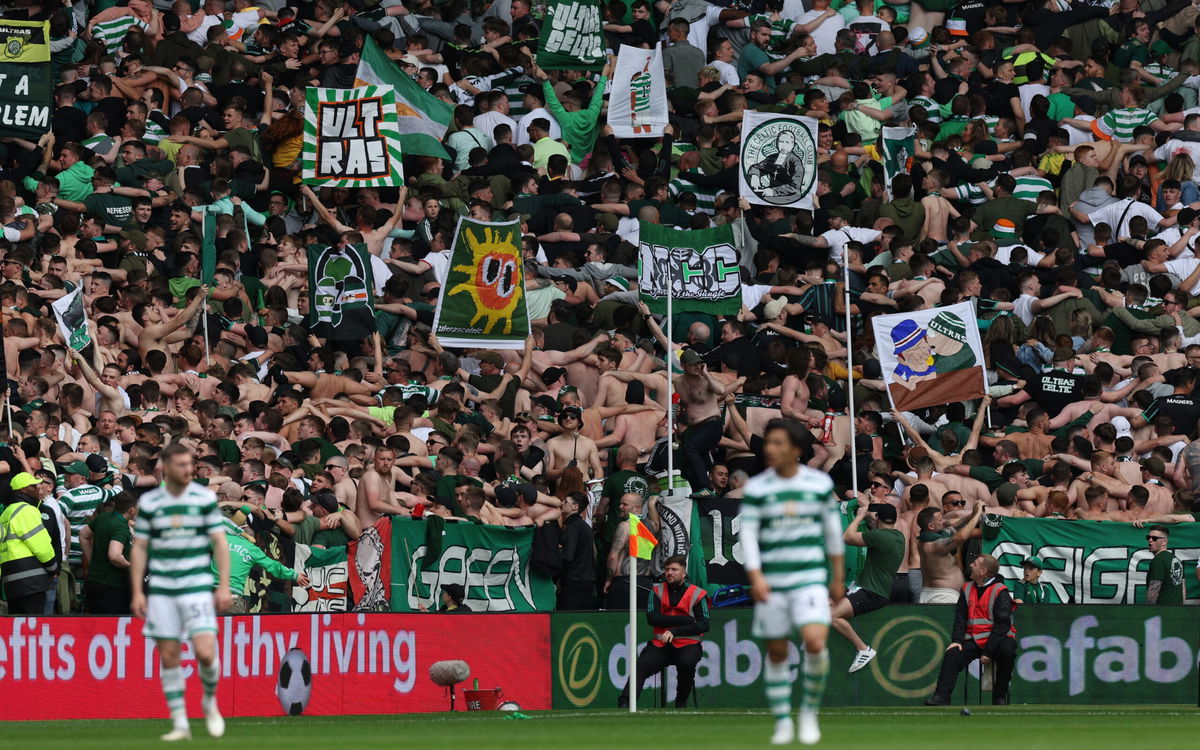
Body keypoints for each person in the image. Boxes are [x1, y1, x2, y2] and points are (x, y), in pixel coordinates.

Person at [742, 419, 844, 746]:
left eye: (777, 443)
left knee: (815, 642)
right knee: (776, 652)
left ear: (796, 450)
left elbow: (832, 533)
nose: (769, 449)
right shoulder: (757, 487)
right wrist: (755, 576)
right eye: (768, 443)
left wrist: (837, 577)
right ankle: (783, 720)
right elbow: (748, 535)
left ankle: (809, 712)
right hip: (772, 580)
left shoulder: (818, 484)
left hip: (809, 578)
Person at [130, 443, 232, 741]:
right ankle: (180, 723)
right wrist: (137, 591)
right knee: (170, 655)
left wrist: (223, 585)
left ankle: (209, 700)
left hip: (197, 587)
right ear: (166, 468)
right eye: (183, 465)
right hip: (162, 589)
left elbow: (220, 544)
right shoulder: (150, 502)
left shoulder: (203, 498)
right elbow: (141, 548)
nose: (190, 470)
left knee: (204, 652)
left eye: (191, 464)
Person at [617, 555, 710, 708]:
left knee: (687, 663)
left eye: (674, 569)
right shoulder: (656, 590)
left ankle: (681, 702)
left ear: (684, 573)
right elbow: (653, 618)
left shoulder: (697, 594)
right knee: (641, 664)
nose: (669, 573)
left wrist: (675, 630)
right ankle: (625, 702)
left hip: (688, 643)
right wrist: (686, 620)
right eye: (667, 569)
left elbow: (704, 625)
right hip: (660, 644)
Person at [924, 554, 1017, 706]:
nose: (971, 565)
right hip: (973, 639)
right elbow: (960, 619)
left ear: (983, 571)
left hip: (997, 639)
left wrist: (988, 651)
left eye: (975, 564)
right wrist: (956, 641)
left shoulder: (1001, 591)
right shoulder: (966, 588)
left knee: (1008, 650)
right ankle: (941, 697)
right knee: (952, 654)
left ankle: (999, 697)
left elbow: (1002, 625)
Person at [831, 502, 905, 672]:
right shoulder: (898, 536)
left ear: (878, 518)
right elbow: (876, 525)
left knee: (832, 616)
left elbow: (847, 537)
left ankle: (863, 649)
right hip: (869, 591)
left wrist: (859, 516)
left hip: (870, 593)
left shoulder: (879, 536)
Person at [0, 473, 58, 615]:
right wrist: (53, 567)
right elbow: (42, 546)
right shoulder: (27, 510)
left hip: (11, 583)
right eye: (33, 486)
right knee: (35, 630)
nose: (38, 487)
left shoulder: (6, 513)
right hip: (31, 582)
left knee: (19, 631)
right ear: (23, 490)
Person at [82, 492, 138, 614]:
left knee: (95, 626)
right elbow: (114, 556)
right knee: (110, 628)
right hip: (113, 587)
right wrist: (131, 566)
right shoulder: (120, 527)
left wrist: (92, 560)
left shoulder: (103, 517)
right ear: (132, 510)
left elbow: (83, 535)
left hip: (93, 581)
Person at [917, 502, 983, 603]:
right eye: (940, 520)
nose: (944, 521)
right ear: (931, 526)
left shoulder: (928, 538)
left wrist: (972, 514)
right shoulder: (934, 545)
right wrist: (978, 514)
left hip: (939, 594)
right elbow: (961, 537)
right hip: (942, 597)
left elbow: (955, 527)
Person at [1145, 525, 1185, 605]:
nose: (1150, 540)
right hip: (1178, 612)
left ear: (1164, 541)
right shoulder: (1177, 560)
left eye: (1154, 538)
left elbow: (1153, 592)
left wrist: (1148, 612)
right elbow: (1183, 590)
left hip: (1163, 613)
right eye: (1148, 537)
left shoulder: (1158, 560)